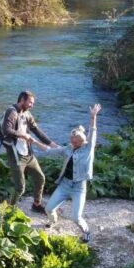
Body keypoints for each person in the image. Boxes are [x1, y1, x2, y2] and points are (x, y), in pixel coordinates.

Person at [42, 103, 101, 243]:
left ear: (82, 141)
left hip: (79, 188)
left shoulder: (88, 149)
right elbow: (50, 151)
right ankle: (53, 220)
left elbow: (92, 131)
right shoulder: (68, 148)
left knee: (76, 217)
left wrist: (93, 116)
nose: (72, 143)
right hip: (64, 185)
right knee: (49, 209)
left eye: (75, 142)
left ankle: (86, 233)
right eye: (71, 141)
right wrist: (32, 140)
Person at [0, 91, 57, 212]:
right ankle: (10, 211)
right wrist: (23, 135)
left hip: (28, 154)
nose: (32, 105)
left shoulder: (27, 114)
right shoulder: (11, 112)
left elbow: (36, 130)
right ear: (22, 100)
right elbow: (6, 130)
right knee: (20, 188)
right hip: (16, 155)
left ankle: (36, 205)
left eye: (32, 103)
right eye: (30, 102)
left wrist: (51, 143)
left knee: (40, 177)